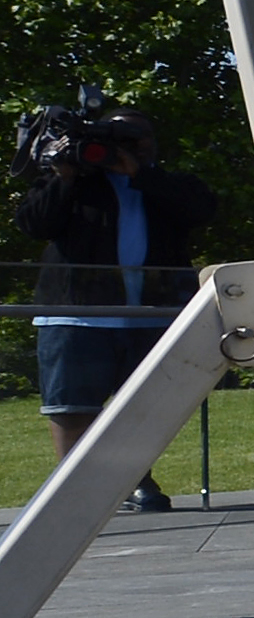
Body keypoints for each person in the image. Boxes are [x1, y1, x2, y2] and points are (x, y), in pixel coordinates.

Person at [18, 107, 217, 512]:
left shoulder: (166, 185)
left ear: (153, 142)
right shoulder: (72, 183)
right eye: (114, 139)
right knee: (73, 407)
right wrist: (65, 175)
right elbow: (34, 224)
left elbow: (202, 211)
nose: (122, 148)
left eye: (135, 138)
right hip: (76, 312)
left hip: (151, 313)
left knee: (145, 408)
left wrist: (139, 174)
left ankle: (133, 480)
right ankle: (77, 490)